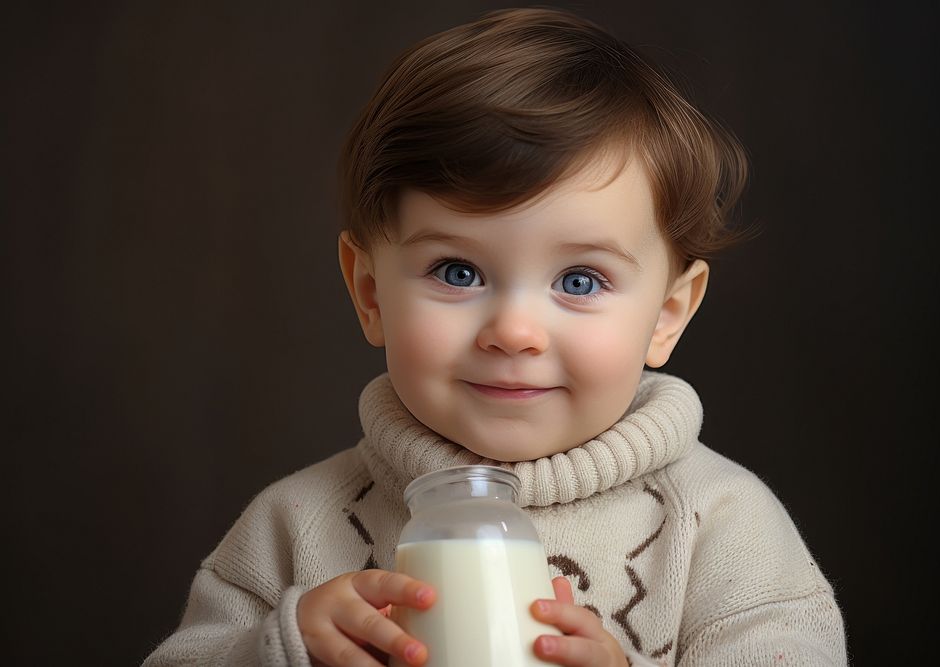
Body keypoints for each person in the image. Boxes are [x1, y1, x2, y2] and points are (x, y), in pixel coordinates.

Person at [145, 8, 846, 666]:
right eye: (458, 271)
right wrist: (282, 647)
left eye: (579, 280)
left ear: (666, 314)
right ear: (370, 292)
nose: (513, 332)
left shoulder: (721, 523)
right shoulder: (294, 525)